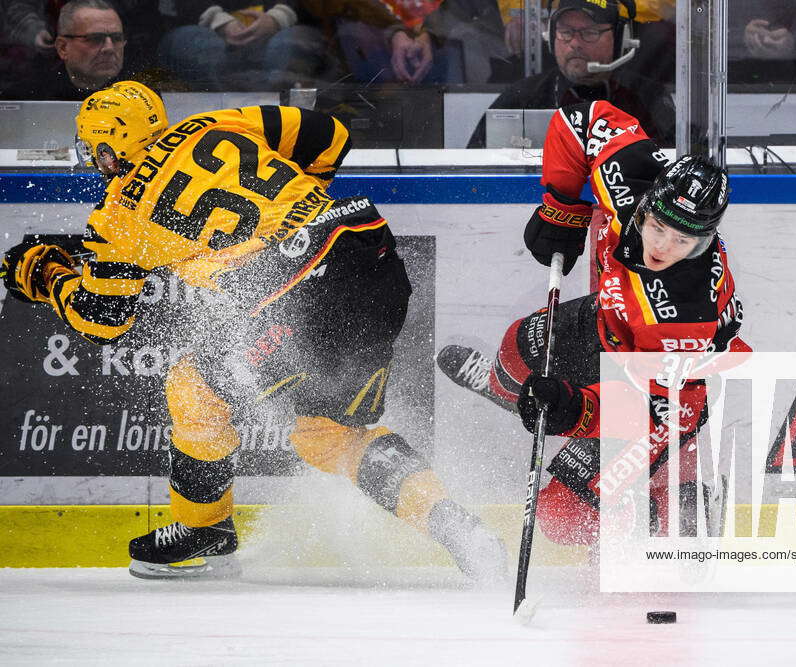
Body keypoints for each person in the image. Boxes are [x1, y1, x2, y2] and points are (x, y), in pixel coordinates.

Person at [0, 80, 507, 580]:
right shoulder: (215, 123)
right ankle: (455, 527)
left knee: (193, 390)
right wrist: (295, 220)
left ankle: (205, 531)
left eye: (93, 147)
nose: (93, 158)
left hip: (296, 286)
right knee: (329, 435)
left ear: (110, 147)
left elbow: (102, 319)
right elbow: (330, 136)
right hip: (367, 249)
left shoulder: (118, 213)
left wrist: (46, 277)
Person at [439, 100, 748, 545]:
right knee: (515, 349)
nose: (662, 247)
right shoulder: (630, 180)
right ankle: (506, 391)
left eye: (683, 241)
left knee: (562, 519)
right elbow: (581, 120)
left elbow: (654, 407)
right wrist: (561, 205)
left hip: (664, 396)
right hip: (605, 323)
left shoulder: (685, 317)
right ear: (647, 204)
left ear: (703, 242)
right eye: (658, 227)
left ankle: (675, 503)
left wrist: (576, 410)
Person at [467, 0, 675, 147]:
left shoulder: (647, 98)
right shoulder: (523, 98)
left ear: (620, 39)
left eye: (589, 33)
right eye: (566, 32)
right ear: (551, 37)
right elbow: (475, 172)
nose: (575, 43)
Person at [157, 1, 329, 91]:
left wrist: (278, 17)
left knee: (288, 44)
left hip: (283, 30)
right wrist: (217, 20)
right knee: (195, 42)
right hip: (207, 30)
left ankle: (280, 116)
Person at [3, 0, 130, 99]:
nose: (109, 48)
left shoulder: (137, 93)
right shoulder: (27, 98)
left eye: (117, 38)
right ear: (63, 48)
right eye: (95, 39)